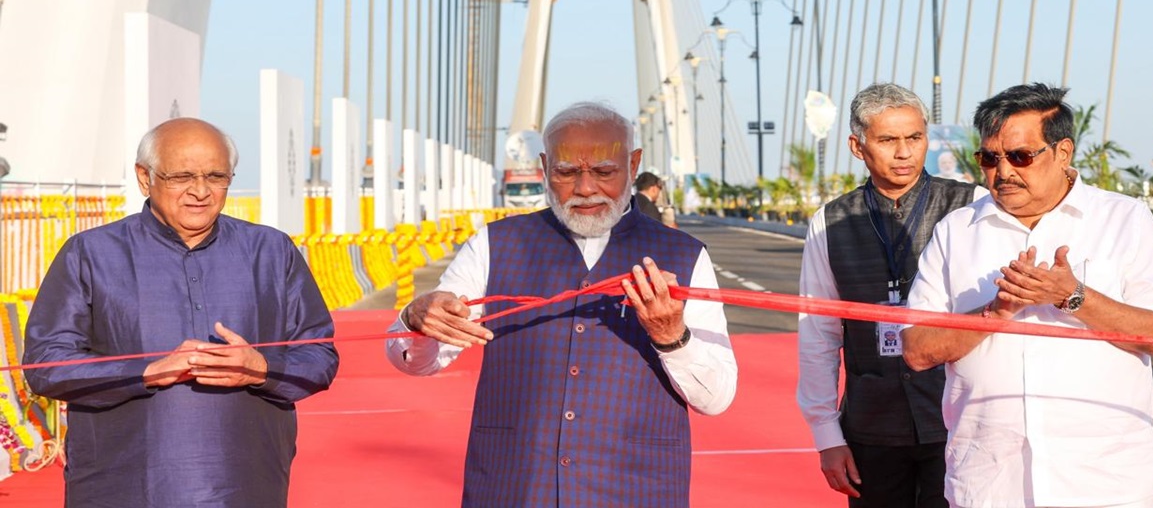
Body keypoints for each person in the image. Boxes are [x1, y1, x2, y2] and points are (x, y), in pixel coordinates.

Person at [387, 101, 737, 507]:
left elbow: (717, 398)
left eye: (604, 172)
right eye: (566, 172)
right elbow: (414, 360)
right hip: (514, 488)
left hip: (637, 489)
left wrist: (671, 336)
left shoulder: (684, 254)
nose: (586, 189)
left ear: (634, 163)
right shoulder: (496, 245)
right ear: (544, 166)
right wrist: (416, 319)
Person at [24, 118, 339, 507]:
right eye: (182, 177)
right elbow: (45, 365)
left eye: (216, 176)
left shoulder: (271, 251)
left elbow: (319, 355)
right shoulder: (90, 254)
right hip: (121, 483)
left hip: (246, 481)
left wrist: (260, 367)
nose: (201, 191)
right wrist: (143, 372)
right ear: (145, 178)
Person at [903, 83, 1153, 508]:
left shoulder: (1123, 219)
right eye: (989, 158)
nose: (1004, 172)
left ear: (1062, 152)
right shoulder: (955, 232)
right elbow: (917, 350)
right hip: (990, 483)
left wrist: (1073, 296)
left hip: (1104, 482)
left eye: (1020, 156)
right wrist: (996, 311)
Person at [798, 83, 984, 508]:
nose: (905, 153)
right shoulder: (830, 222)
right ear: (857, 145)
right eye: (888, 140)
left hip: (959, 423)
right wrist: (827, 436)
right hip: (871, 427)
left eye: (914, 138)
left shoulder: (971, 206)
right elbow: (818, 333)